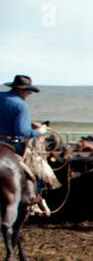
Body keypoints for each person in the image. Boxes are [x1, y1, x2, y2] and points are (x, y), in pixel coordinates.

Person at [0, 74, 58, 215]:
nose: (29, 95)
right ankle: (34, 200)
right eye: (29, 92)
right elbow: (22, 131)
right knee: (38, 167)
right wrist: (39, 132)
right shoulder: (21, 106)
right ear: (24, 90)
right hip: (9, 142)